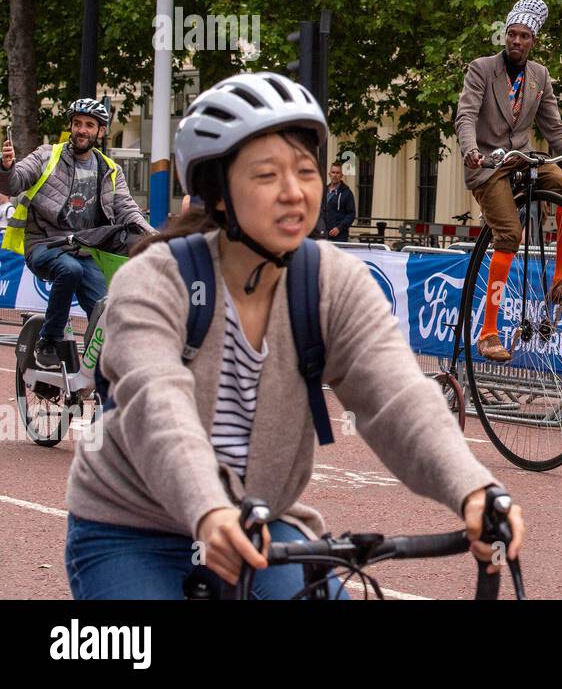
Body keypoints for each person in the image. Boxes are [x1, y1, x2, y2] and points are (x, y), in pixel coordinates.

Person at [63, 72, 522, 599]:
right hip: (131, 528)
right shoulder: (154, 278)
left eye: (305, 171)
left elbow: (397, 398)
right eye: (266, 175)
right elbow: (155, 405)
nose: (294, 192)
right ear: (216, 192)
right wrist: (209, 508)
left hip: (262, 519)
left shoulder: (332, 280)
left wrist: (475, 489)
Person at [455, 0, 562, 363]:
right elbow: (466, 115)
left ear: (533, 40)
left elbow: (555, 130)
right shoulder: (481, 69)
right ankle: (489, 333)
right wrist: (471, 149)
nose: (516, 41)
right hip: (488, 164)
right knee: (508, 234)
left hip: (522, 158)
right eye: (512, 34)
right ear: (505, 36)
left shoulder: (540, 76)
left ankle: (559, 280)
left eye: (523, 36)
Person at [0, 100, 152, 371]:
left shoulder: (110, 170)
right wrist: (7, 167)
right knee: (69, 271)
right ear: (71, 126)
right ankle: (47, 341)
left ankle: (92, 375)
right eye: (77, 123)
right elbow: (14, 182)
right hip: (45, 245)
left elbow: (128, 210)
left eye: (89, 125)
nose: (82, 130)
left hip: (85, 250)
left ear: (101, 131)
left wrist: (155, 236)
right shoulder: (47, 155)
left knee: (105, 310)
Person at [323, 160, 356, 242]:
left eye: (338, 173)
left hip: (339, 236)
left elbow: (351, 214)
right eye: (333, 172)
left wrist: (339, 228)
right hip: (323, 235)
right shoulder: (323, 191)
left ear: (341, 175)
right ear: (329, 174)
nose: (335, 175)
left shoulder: (347, 193)